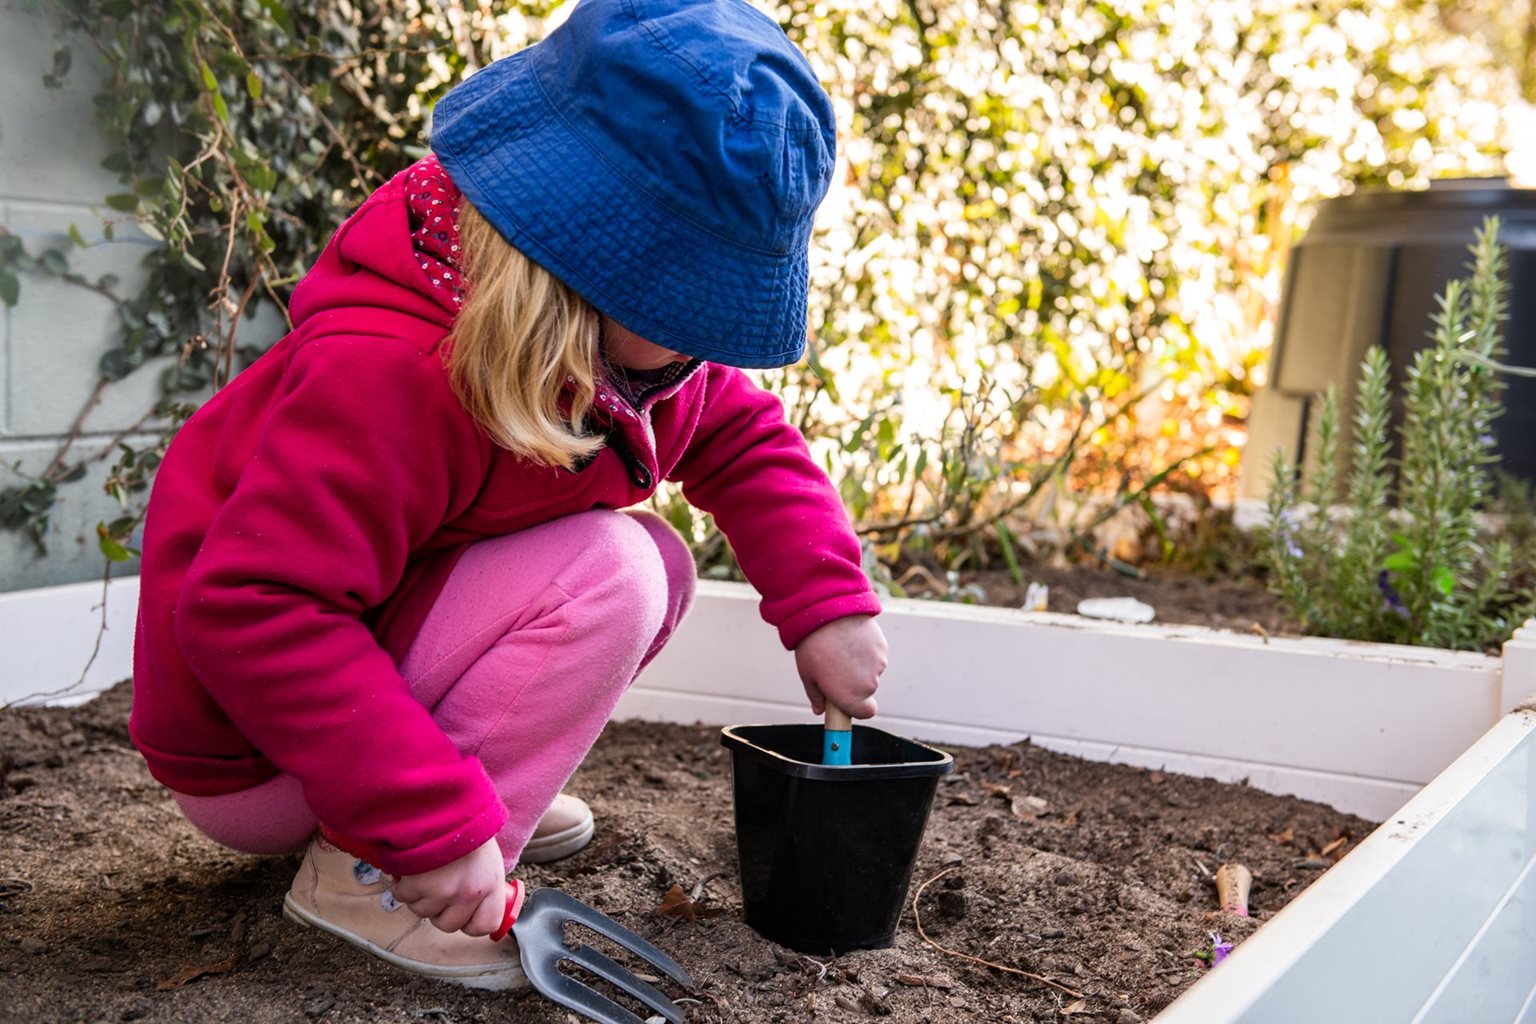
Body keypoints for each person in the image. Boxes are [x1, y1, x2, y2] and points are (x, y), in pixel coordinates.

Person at [128, 0, 887, 993]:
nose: (712, 338)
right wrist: (428, 827)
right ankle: (370, 873)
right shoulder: (392, 372)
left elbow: (741, 436)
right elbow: (252, 609)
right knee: (615, 572)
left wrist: (826, 603)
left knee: (655, 564)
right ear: (593, 263)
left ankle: (466, 787)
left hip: (352, 681)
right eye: (694, 301)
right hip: (256, 751)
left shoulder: (630, 353)